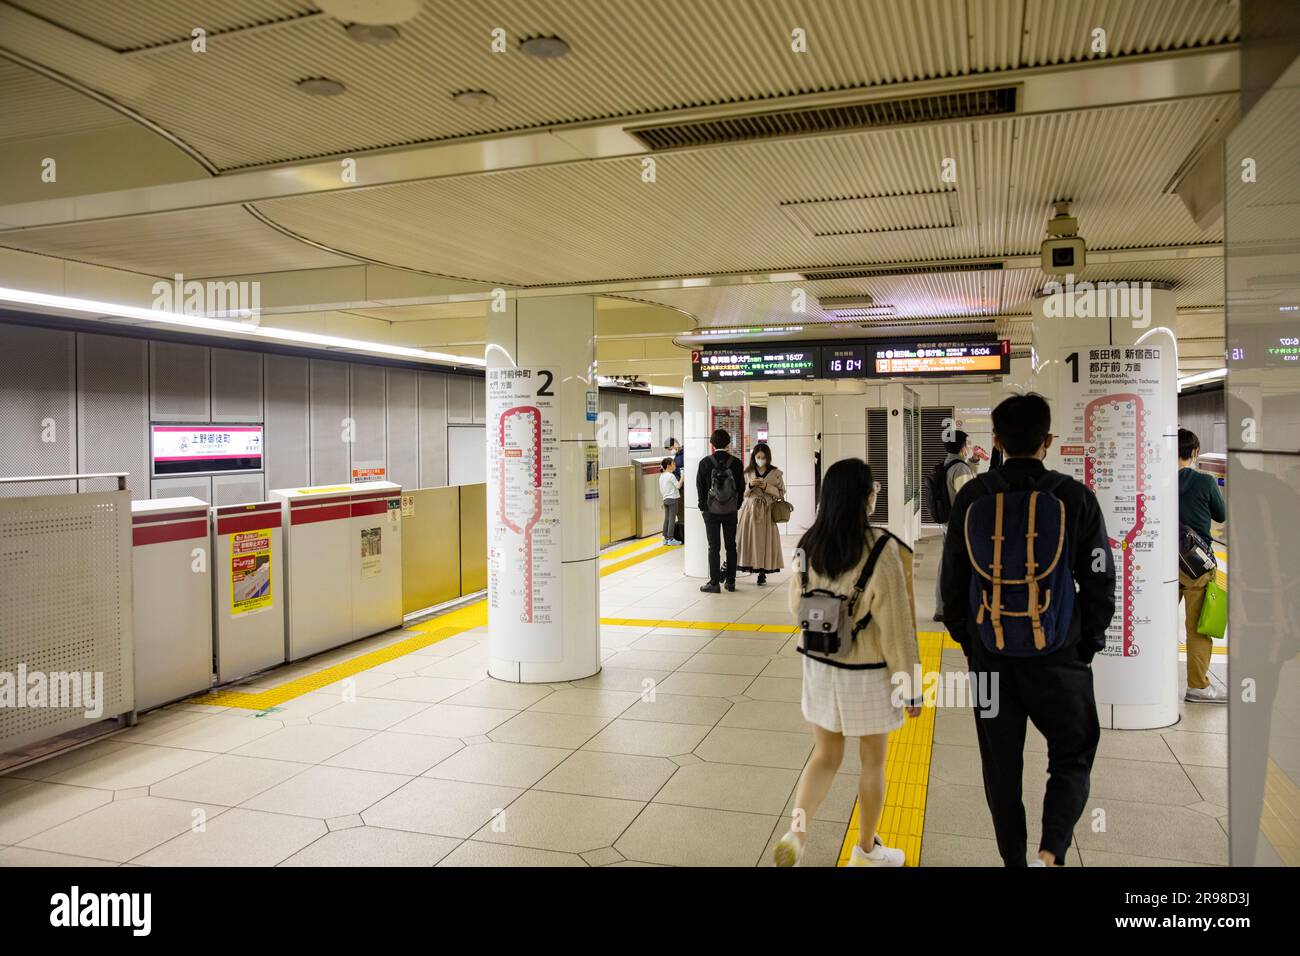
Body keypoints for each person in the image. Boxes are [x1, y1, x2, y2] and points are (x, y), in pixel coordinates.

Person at [940, 393, 1116, 867]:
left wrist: (975, 646)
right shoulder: (1075, 497)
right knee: (1073, 754)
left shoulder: (974, 498)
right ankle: (1051, 850)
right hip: (1060, 656)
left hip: (992, 660)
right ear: (1048, 441)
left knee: (1001, 771)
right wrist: (1085, 645)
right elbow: (1100, 578)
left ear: (995, 440)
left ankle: (1013, 862)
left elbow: (952, 588)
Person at [774, 458, 921, 867]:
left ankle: (796, 834)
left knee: (824, 756)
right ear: (865, 498)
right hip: (868, 674)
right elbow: (898, 630)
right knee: (872, 761)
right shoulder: (882, 549)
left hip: (819, 667)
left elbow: (795, 607)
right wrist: (911, 685)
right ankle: (867, 850)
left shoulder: (807, 545)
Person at [1178, 428, 1227, 703]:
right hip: (1197, 565)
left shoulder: (1158, 480)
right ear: (1194, 453)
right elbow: (1220, 515)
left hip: (1164, 562)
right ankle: (1198, 686)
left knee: (1153, 622)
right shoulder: (1205, 482)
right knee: (1197, 628)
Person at [931, 429, 976, 622]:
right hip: (961, 526)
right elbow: (968, 497)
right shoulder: (960, 469)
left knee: (945, 564)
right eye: (967, 444)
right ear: (962, 447)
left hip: (948, 524)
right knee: (958, 566)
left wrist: (973, 463)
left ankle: (941, 608)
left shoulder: (946, 464)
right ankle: (954, 608)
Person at [696, 428, 745, 593]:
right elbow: (741, 487)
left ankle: (714, 582)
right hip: (731, 511)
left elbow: (700, 487)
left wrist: (703, 507)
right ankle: (730, 582)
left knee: (713, 547)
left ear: (712, 443)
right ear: (729, 443)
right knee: (731, 546)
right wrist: (736, 506)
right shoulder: (737, 463)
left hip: (711, 511)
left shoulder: (705, 463)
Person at [736, 442, 785, 586]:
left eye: (763, 457)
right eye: (758, 457)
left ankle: (763, 572)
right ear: (754, 457)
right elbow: (742, 494)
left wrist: (767, 487)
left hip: (767, 510)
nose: (761, 459)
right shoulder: (747, 472)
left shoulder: (776, 473)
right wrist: (750, 485)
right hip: (750, 510)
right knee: (748, 539)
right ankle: (748, 563)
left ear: (768, 457)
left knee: (765, 540)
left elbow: (781, 493)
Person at [659, 457, 682, 546]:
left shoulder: (662, 476)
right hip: (673, 499)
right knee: (672, 519)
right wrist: (683, 476)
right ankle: (670, 539)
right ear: (669, 466)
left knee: (667, 519)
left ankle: (664, 538)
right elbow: (678, 486)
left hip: (665, 499)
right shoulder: (671, 475)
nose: (675, 465)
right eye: (673, 464)